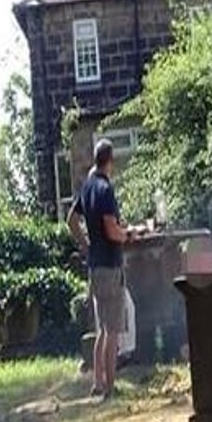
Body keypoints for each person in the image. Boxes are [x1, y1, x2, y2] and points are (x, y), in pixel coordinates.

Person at [67, 139, 139, 399]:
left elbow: (71, 220)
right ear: (110, 160)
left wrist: (86, 247)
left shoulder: (86, 187)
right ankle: (110, 387)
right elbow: (111, 230)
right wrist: (127, 234)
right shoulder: (105, 188)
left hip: (95, 266)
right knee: (112, 329)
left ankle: (97, 382)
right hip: (110, 265)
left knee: (101, 329)